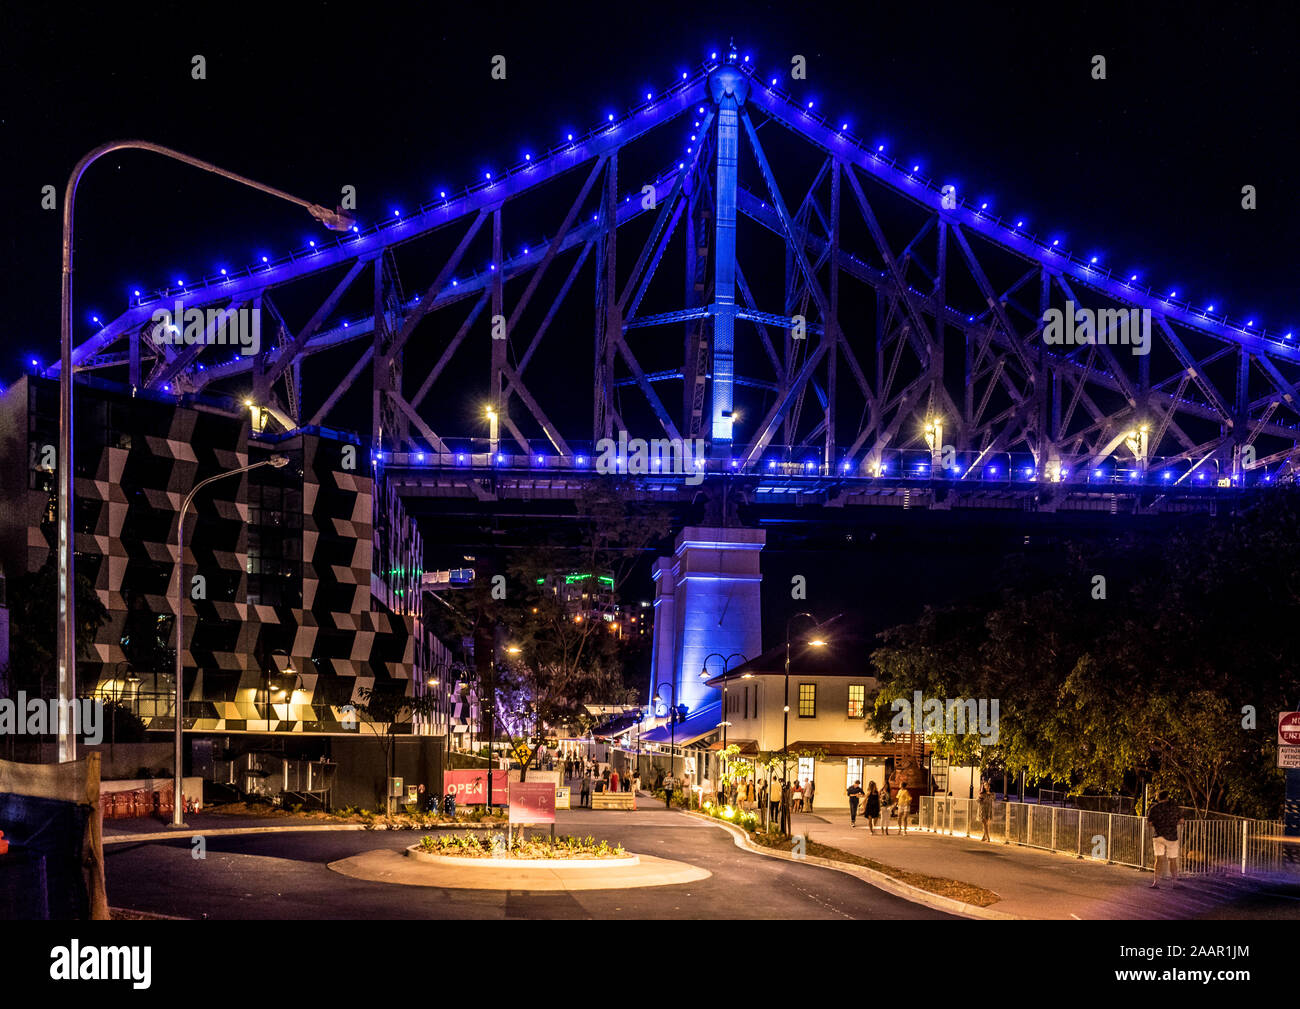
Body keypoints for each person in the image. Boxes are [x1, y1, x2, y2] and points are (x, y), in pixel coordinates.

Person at [1147, 789, 1184, 888]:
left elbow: (1149, 823)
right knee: (1172, 860)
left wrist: (1158, 823)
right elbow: (1181, 821)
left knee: (1158, 859)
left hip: (1158, 836)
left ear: (1158, 798)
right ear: (1167, 797)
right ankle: (1175, 883)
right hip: (1172, 836)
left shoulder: (1154, 808)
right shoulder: (1174, 808)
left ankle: (1156, 882)